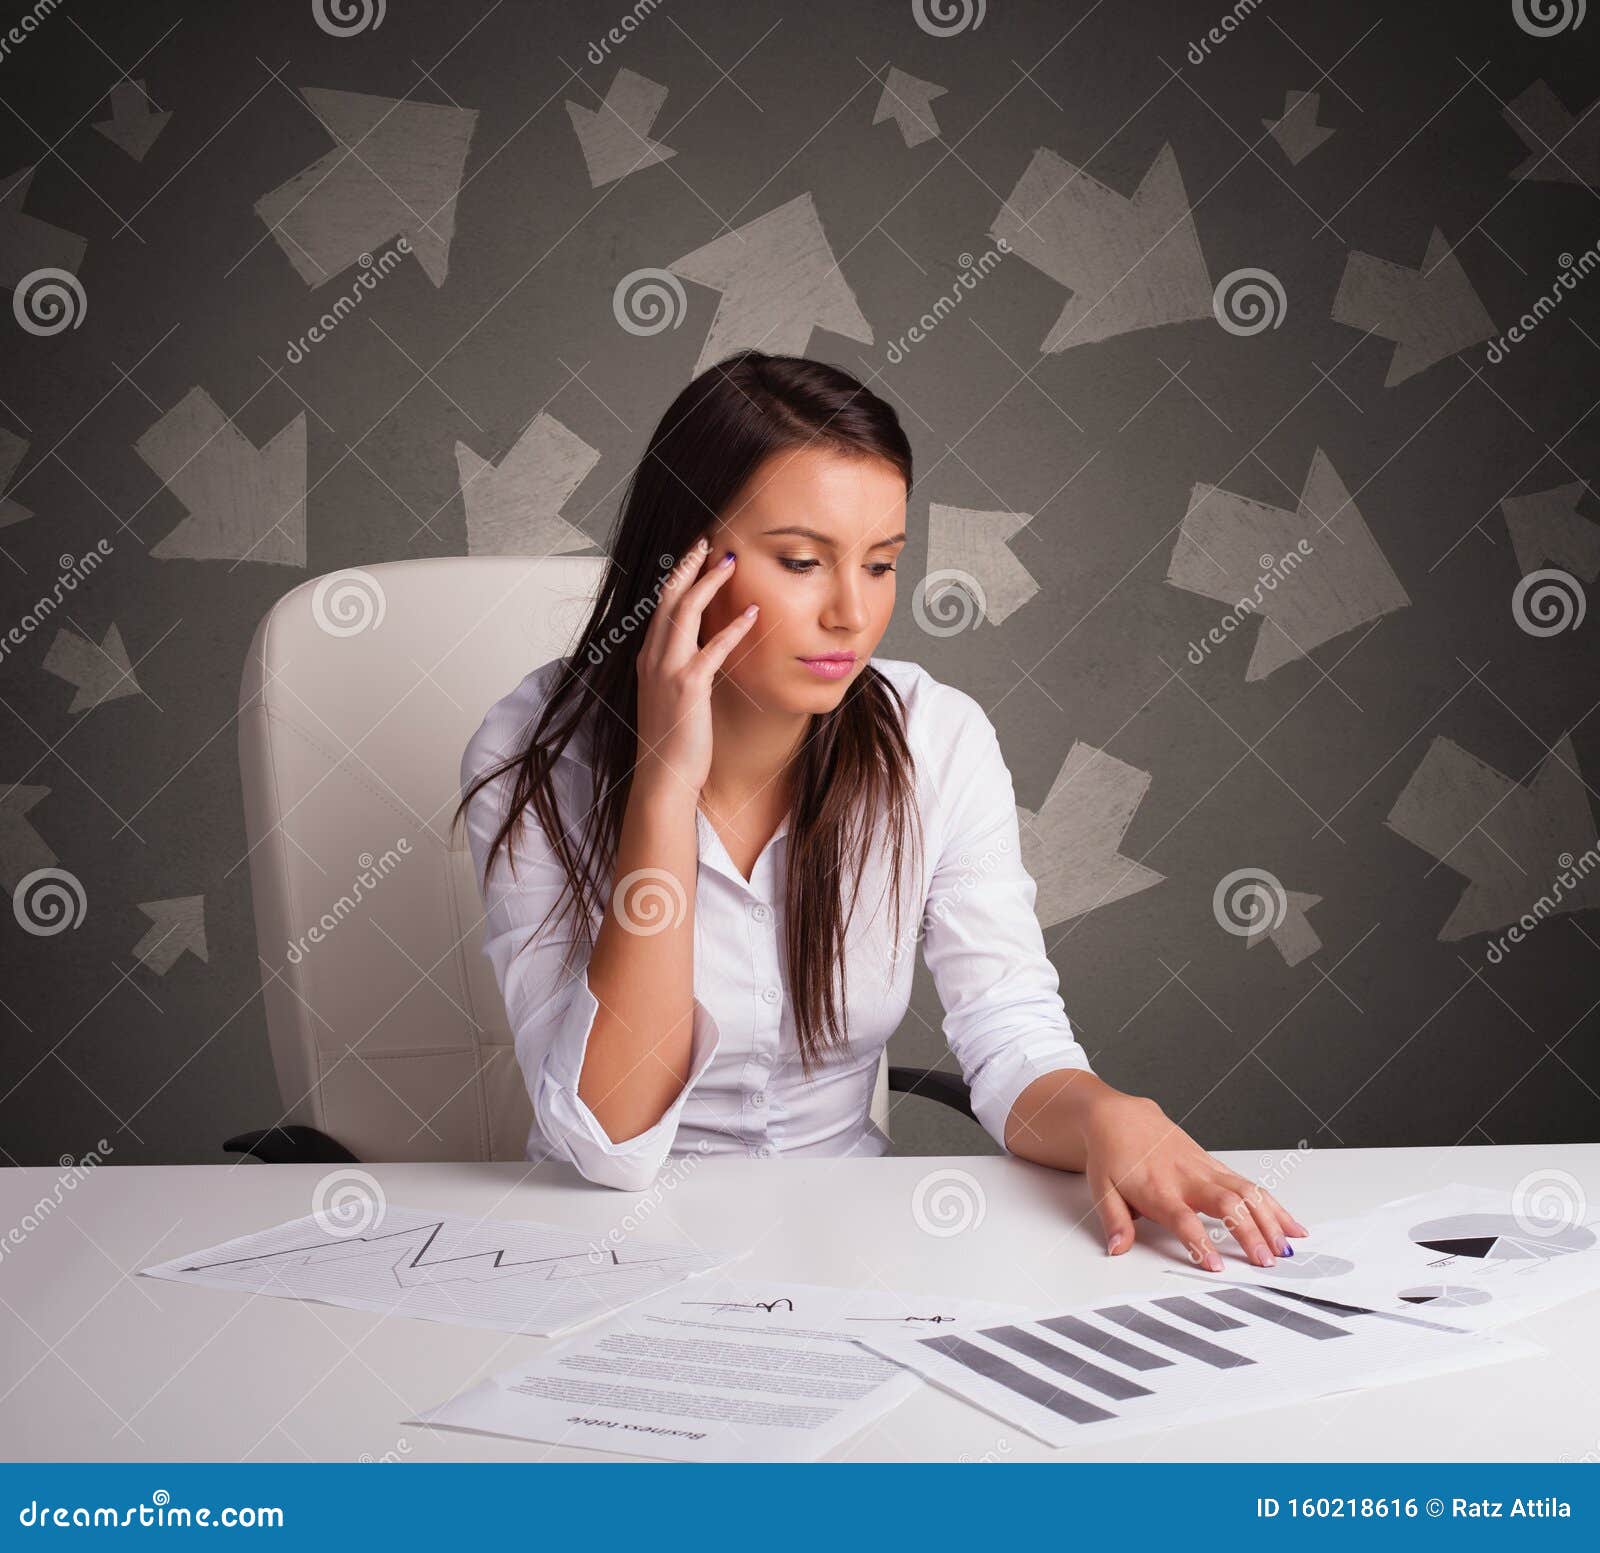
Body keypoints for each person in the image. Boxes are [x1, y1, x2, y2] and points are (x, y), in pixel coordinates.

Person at [455, 349, 1307, 1273]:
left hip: (850, 1251)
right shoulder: (530, 752)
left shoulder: (936, 738)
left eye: (881, 564)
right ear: (683, 560)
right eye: (801, 562)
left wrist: (1110, 1114)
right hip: (601, 1250)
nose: (851, 614)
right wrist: (664, 786)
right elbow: (609, 1141)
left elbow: (1009, 1035)